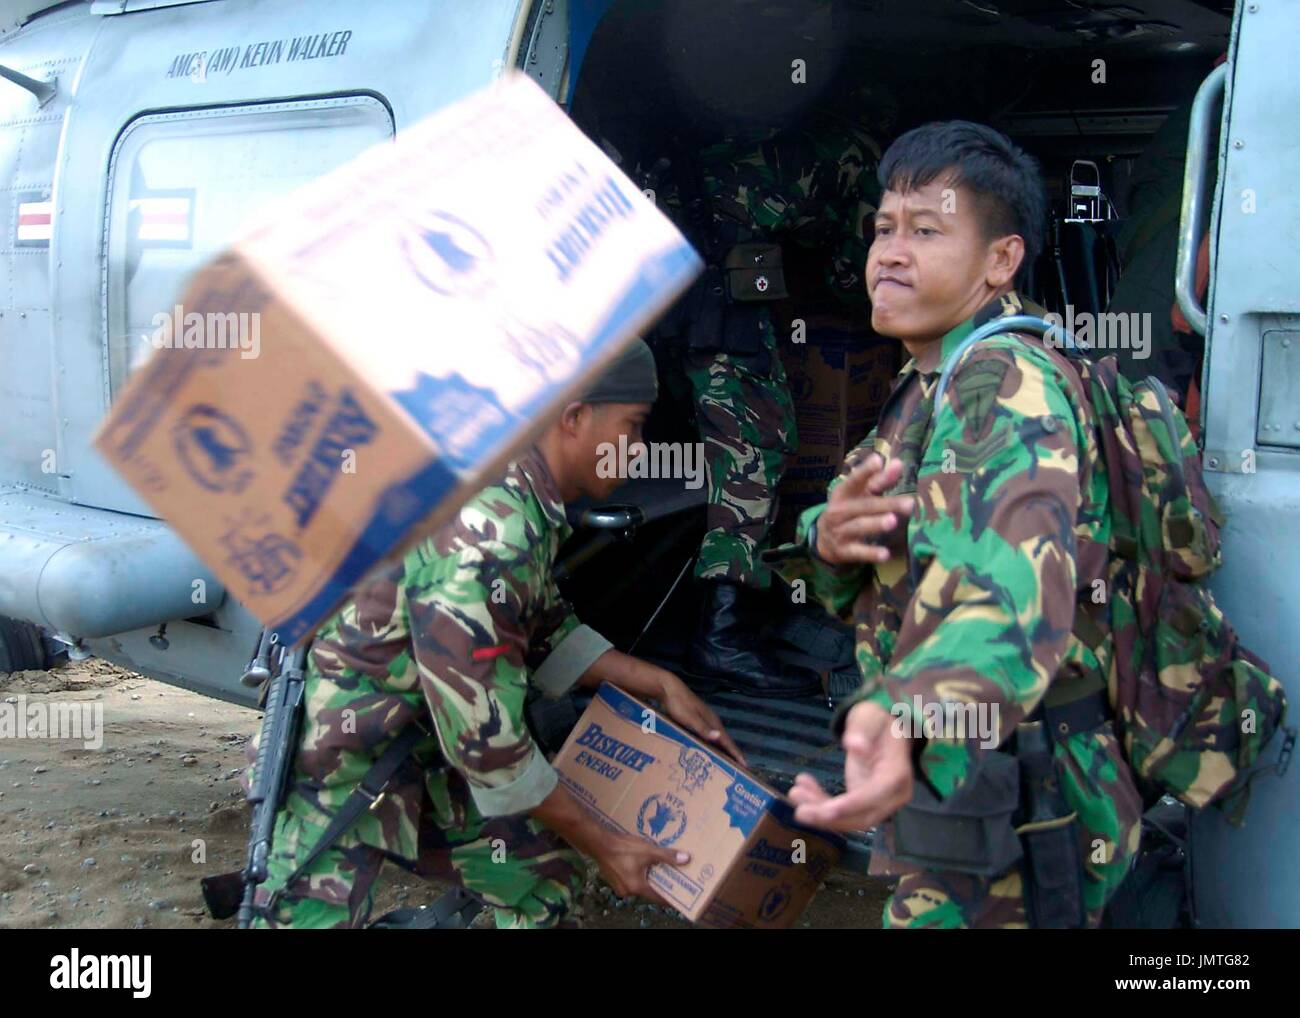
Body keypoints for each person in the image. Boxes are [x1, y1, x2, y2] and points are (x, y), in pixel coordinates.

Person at [249, 339, 744, 928]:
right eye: (633, 428)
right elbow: (490, 746)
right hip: (344, 768)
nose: (638, 453)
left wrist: (656, 683)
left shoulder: (516, 493)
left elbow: (539, 625)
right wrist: (608, 844)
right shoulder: (495, 532)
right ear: (574, 417)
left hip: (421, 747)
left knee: (542, 873)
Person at [783, 122, 1143, 928]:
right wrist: (827, 534)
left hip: (1009, 785)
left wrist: (903, 712)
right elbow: (867, 519)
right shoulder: (938, 374)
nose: (890, 254)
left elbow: (1008, 591)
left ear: (1000, 260)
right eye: (883, 229)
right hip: (973, 768)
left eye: (925, 230)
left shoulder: (1001, 381)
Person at [673, 106, 884, 694]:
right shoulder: (859, 155)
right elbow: (854, 270)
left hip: (657, 279)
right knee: (755, 447)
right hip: (716, 295)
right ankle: (722, 640)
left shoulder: (738, 135)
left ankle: (729, 617)